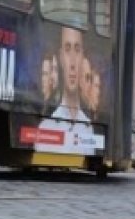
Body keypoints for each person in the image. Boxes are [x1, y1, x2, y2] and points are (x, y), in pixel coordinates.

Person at [36, 26, 97, 154]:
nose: (73, 63)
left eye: (77, 49)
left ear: (82, 57)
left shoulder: (89, 129)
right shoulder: (46, 127)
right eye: (67, 49)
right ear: (61, 57)